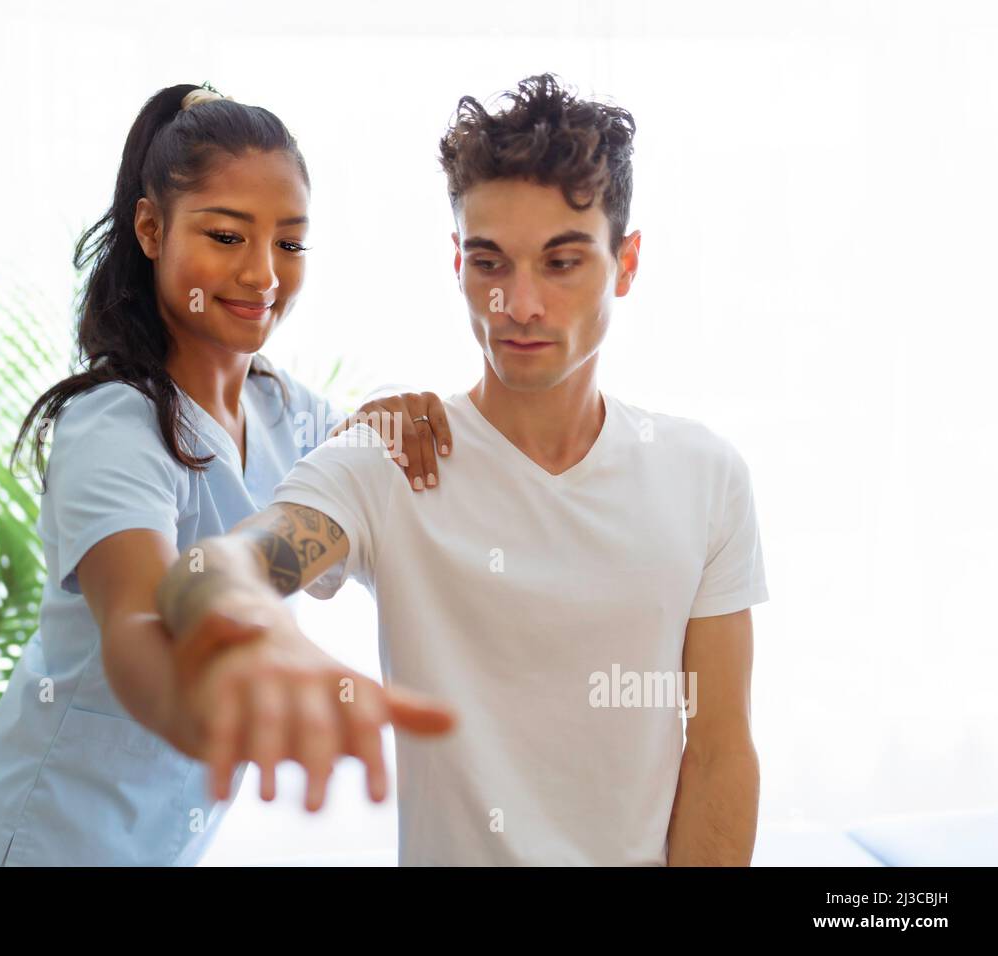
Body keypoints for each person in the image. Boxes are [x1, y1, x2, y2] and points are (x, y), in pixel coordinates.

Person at [155, 74, 769, 866]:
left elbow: (719, 749)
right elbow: (213, 572)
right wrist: (253, 617)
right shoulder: (388, 459)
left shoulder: (704, 476)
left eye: (561, 262)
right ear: (457, 263)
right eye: (490, 262)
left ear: (627, 262)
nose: (519, 303)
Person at [0, 83, 456, 867]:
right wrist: (221, 706)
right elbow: (137, 625)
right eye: (227, 236)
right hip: (36, 835)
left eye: (290, 244)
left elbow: (359, 475)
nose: (263, 274)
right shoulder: (115, 424)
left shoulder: (283, 409)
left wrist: (397, 410)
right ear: (151, 228)